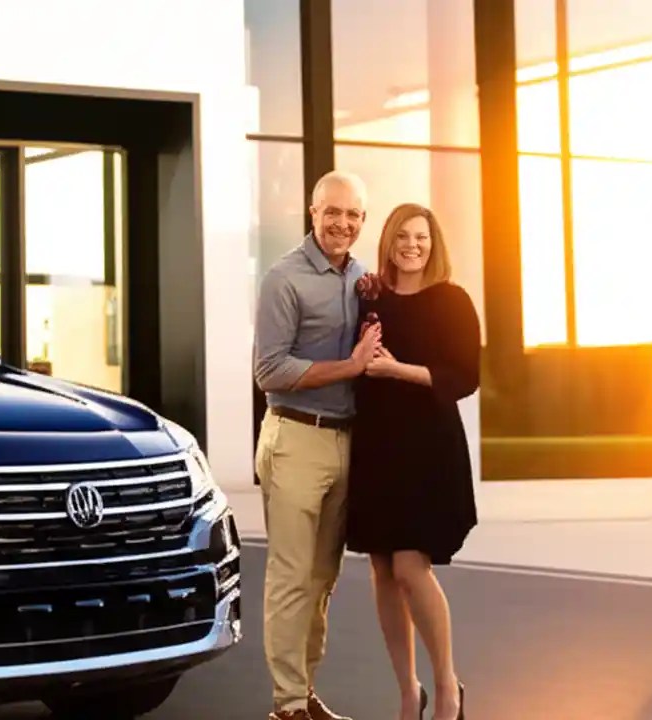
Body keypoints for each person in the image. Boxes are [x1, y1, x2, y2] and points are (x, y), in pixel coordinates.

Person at [253, 170, 382, 720]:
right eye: (333, 212)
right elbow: (270, 371)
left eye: (353, 215)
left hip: (345, 441)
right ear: (313, 213)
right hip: (295, 438)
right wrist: (349, 366)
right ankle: (286, 706)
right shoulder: (283, 279)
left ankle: (304, 691)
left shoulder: (362, 278)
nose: (342, 223)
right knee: (291, 576)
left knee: (322, 579)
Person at [346, 202, 478, 720]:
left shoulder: (452, 300)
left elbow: (465, 377)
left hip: (428, 449)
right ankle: (408, 691)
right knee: (382, 568)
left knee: (409, 566)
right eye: (402, 236)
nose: (411, 245)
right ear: (389, 241)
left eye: (420, 236)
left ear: (433, 242)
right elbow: (358, 364)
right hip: (377, 445)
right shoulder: (371, 298)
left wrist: (399, 370)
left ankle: (447, 687)